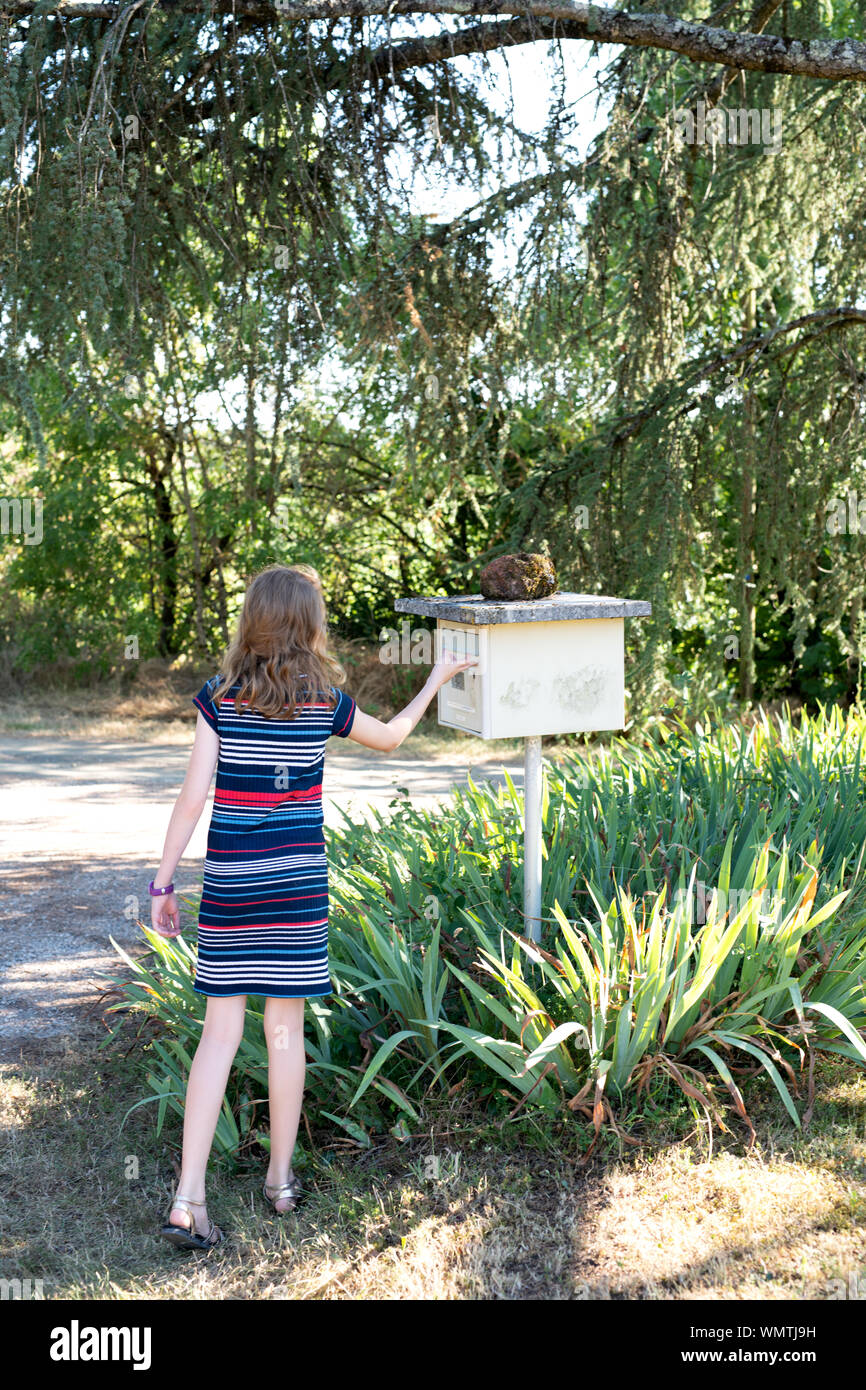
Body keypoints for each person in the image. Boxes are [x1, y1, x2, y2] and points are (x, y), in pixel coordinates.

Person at [150, 563, 476, 1250]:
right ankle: (279, 1182)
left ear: (253, 620)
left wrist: (162, 883)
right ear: (309, 625)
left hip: (234, 884)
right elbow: (390, 738)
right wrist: (434, 682)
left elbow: (191, 796)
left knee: (219, 1035)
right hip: (295, 889)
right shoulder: (323, 701)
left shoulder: (220, 696)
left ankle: (188, 1197)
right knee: (284, 1034)